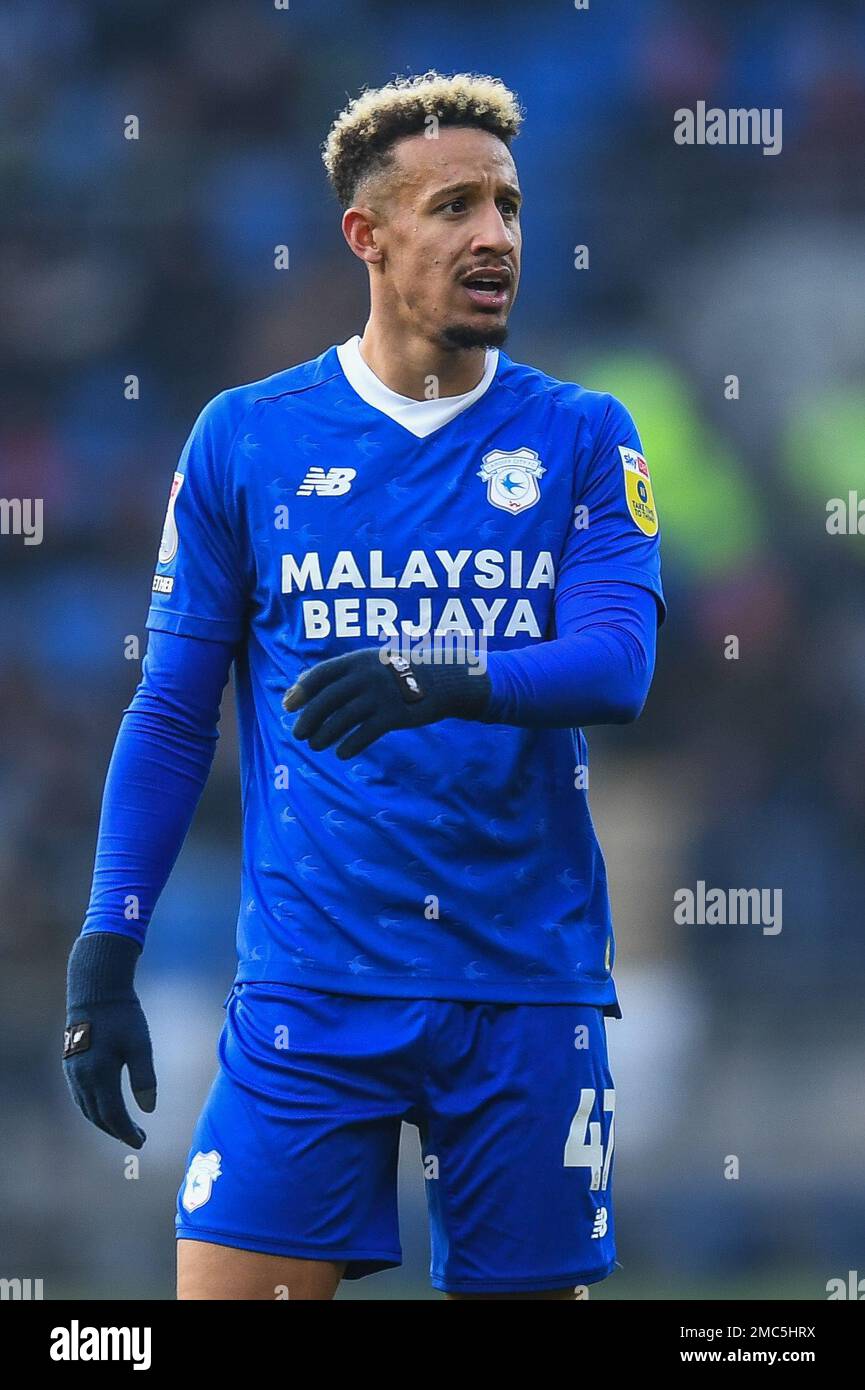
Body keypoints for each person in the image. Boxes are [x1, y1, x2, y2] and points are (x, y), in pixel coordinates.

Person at [64, 70, 665, 1301]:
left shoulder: (586, 435)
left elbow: (618, 664)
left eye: (507, 205)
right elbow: (173, 714)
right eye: (453, 207)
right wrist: (104, 949)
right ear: (368, 235)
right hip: (310, 989)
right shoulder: (246, 437)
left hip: (524, 987)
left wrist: (440, 677)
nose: (494, 234)